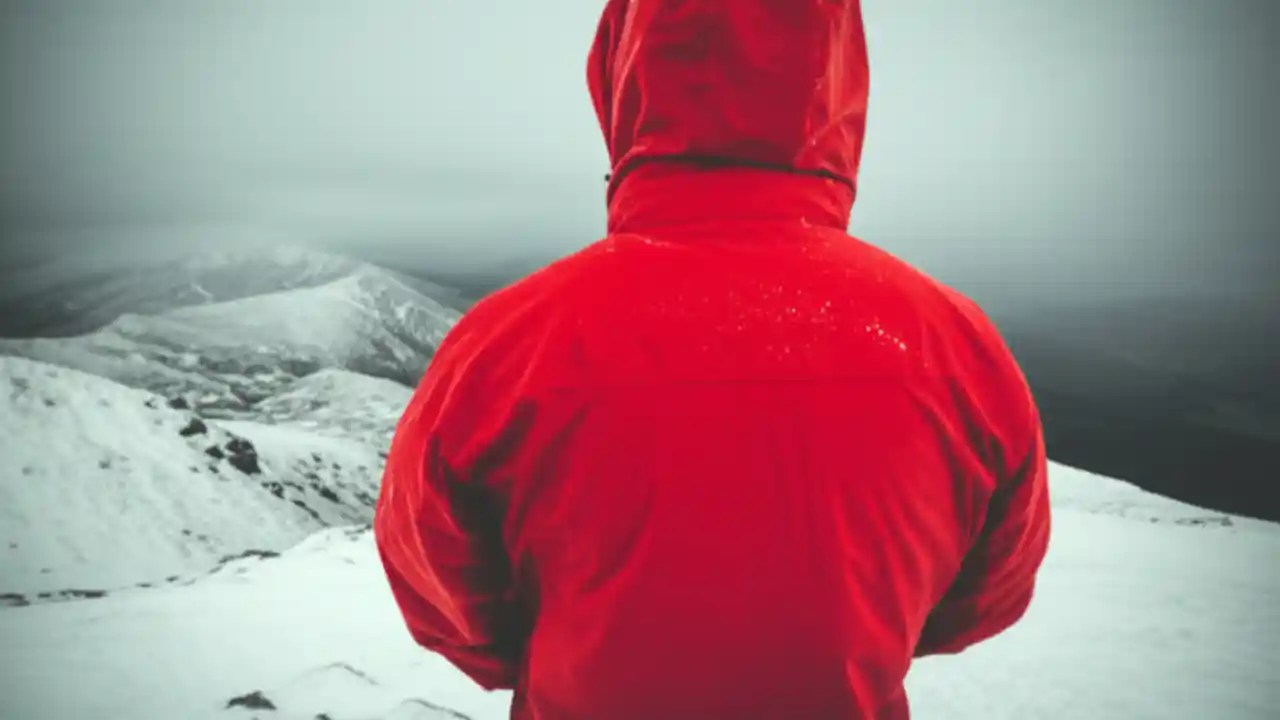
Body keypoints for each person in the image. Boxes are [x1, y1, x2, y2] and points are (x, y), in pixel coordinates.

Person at [374, 1, 1051, 718]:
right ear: (839, 84)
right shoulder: (954, 343)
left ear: (623, 83)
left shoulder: (505, 342)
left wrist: (573, 655)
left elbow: (442, 594)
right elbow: (986, 597)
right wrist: (851, 639)